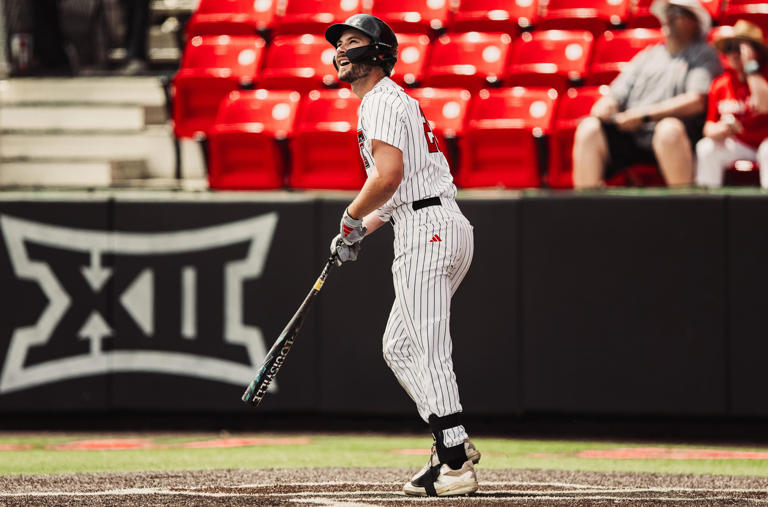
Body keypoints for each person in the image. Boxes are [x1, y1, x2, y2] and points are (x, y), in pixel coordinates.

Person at [324, 14, 481, 497]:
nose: (342, 51)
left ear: (377, 54)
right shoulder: (391, 102)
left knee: (429, 349)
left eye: (354, 43)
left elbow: (387, 177)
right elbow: (398, 192)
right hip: (431, 222)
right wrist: (361, 231)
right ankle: (452, 438)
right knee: (399, 346)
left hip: (428, 231)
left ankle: (454, 461)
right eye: (340, 44)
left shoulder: (381, 102)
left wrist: (350, 217)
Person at [572, 0, 722, 188]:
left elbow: (696, 101)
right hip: (632, 133)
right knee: (589, 128)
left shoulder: (703, 54)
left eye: (677, 12)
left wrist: (644, 116)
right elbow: (615, 93)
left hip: (676, 135)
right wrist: (607, 105)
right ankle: (586, 209)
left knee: (669, 130)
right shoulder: (647, 55)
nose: (669, 17)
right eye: (667, 11)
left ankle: (684, 208)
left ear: (695, 22)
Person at [695, 20, 768, 188]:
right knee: (707, 148)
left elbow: (764, 105)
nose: (734, 54)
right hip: (740, 142)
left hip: (765, 141)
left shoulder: (763, 76)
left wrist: (750, 67)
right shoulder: (720, 84)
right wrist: (720, 130)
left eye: (739, 48)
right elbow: (708, 127)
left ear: (756, 51)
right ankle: (708, 207)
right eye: (729, 48)